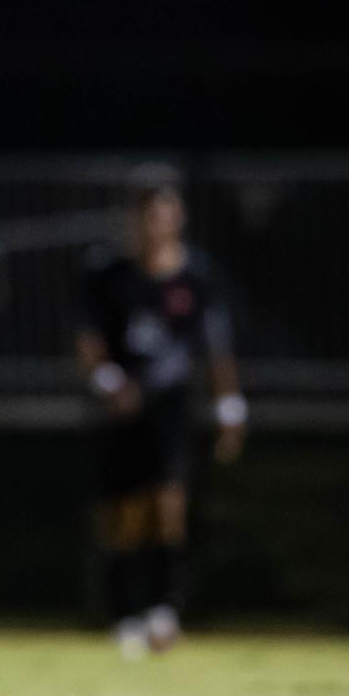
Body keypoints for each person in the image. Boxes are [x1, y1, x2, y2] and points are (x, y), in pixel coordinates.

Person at [75, 173, 244, 659]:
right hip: (120, 407)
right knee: (126, 518)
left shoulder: (196, 275)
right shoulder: (109, 272)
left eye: (166, 212)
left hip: (170, 406)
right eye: (149, 213)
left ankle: (164, 611)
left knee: (169, 509)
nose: (158, 222)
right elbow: (88, 338)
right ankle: (124, 615)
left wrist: (230, 403)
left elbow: (215, 345)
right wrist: (108, 382)